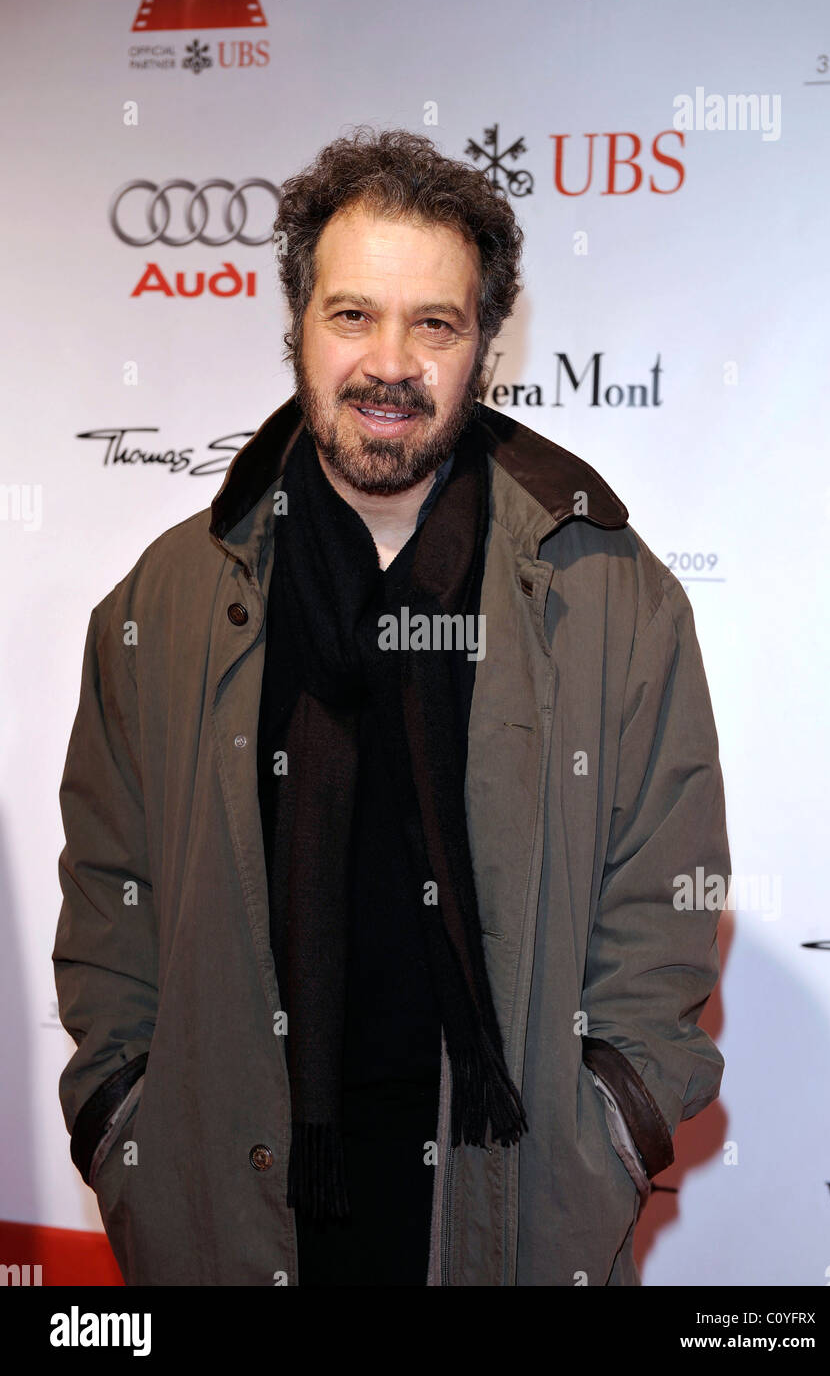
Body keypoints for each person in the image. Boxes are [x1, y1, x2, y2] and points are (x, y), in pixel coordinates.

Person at [53, 126, 730, 1287]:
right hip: (228, 1225)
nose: (388, 363)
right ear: (297, 329)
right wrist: (125, 1124)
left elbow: (664, 912)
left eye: (435, 323)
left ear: (484, 346)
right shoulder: (160, 603)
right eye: (352, 314)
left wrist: (612, 1133)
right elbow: (110, 900)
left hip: (513, 1221)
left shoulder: (613, 595)